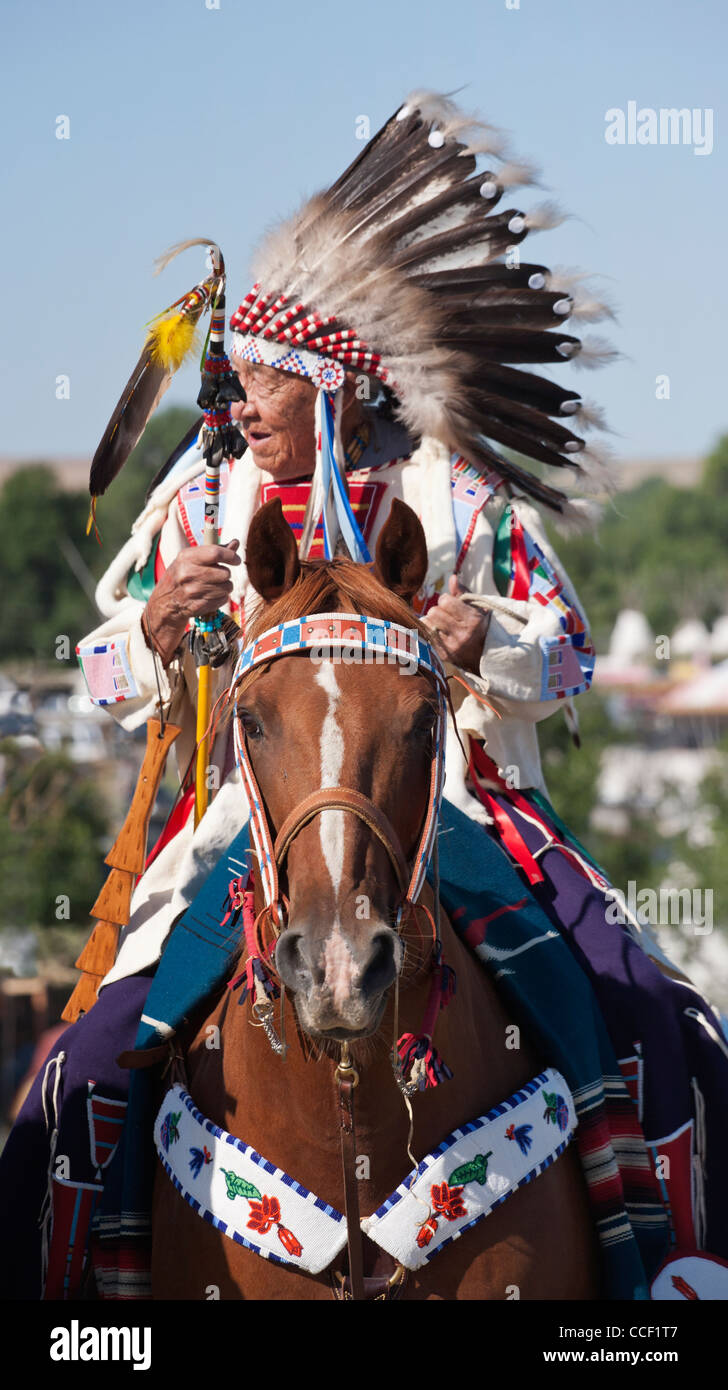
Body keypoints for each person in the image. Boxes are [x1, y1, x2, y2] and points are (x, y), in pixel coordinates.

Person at [3, 89, 727, 1301]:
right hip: (239, 824)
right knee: (81, 1066)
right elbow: (94, 674)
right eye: (225, 386)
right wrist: (150, 628)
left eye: (256, 387)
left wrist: (476, 633)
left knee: (653, 1020)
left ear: (329, 385)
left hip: (459, 807)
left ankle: (664, 1290)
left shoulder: (453, 500)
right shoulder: (199, 509)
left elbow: (571, 655)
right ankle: (86, 1313)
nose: (228, 407)